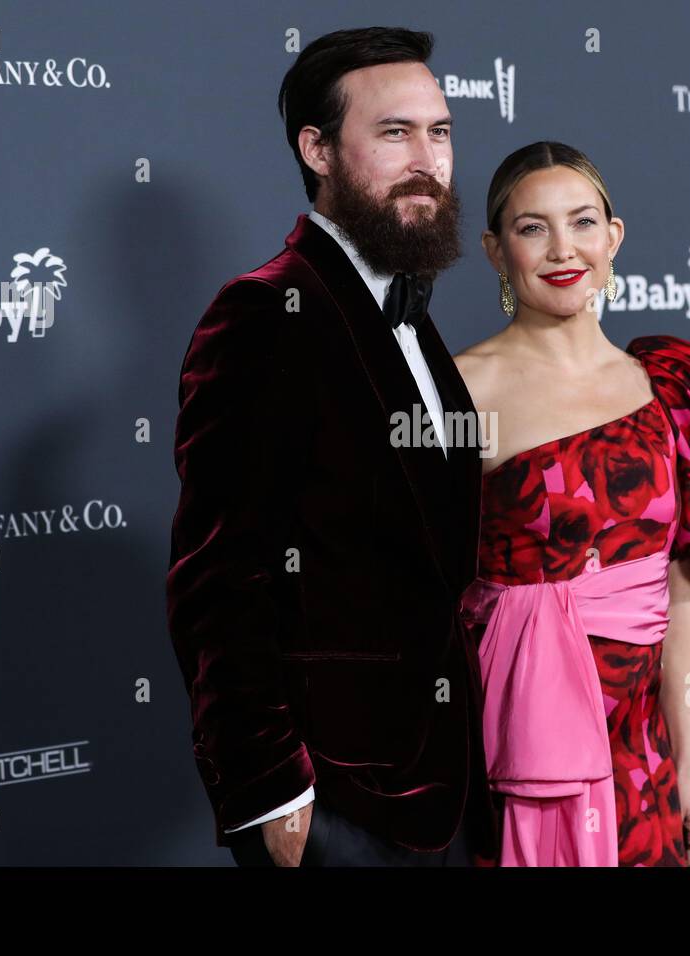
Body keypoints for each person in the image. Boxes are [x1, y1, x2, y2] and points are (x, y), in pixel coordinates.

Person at [165, 27, 499, 866]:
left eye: (441, 132)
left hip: (440, 780)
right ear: (317, 149)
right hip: (333, 801)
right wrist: (271, 787)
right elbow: (220, 577)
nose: (428, 158)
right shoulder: (264, 313)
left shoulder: (405, 310)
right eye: (395, 133)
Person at [454, 142, 690, 866]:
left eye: (583, 222)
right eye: (533, 228)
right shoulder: (459, 391)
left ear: (614, 237)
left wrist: (686, 767)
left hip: (640, 756)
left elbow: (677, 590)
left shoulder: (665, 388)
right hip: (512, 751)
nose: (564, 249)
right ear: (495, 250)